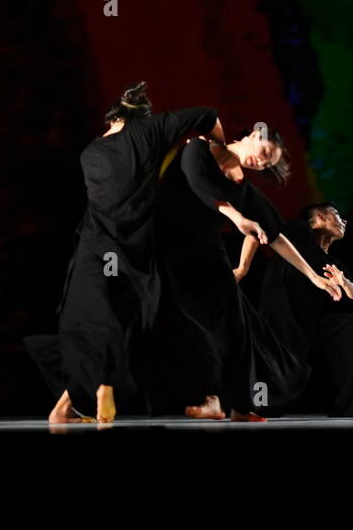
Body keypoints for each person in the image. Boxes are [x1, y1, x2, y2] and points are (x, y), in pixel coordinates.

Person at [25, 82, 220, 423]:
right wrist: (214, 146)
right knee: (123, 319)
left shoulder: (90, 152)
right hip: (133, 249)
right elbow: (206, 115)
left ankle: (83, 396)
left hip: (95, 243)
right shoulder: (148, 131)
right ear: (141, 117)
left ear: (113, 115)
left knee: (85, 319)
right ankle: (89, 393)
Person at [150, 125, 340, 420]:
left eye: (267, 164)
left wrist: (314, 277)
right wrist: (236, 217)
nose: (261, 162)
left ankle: (237, 404)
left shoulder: (243, 190)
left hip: (208, 250)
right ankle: (208, 395)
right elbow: (199, 184)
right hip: (169, 245)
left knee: (236, 328)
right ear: (254, 134)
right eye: (264, 152)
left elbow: (276, 235)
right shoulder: (200, 147)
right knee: (194, 323)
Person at [256, 202, 353, 417]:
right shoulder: (299, 232)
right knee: (265, 405)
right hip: (282, 322)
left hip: (314, 325)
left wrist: (345, 283)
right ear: (320, 217)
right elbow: (263, 230)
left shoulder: (332, 263)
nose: (344, 220)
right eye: (337, 214)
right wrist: (243, 266)